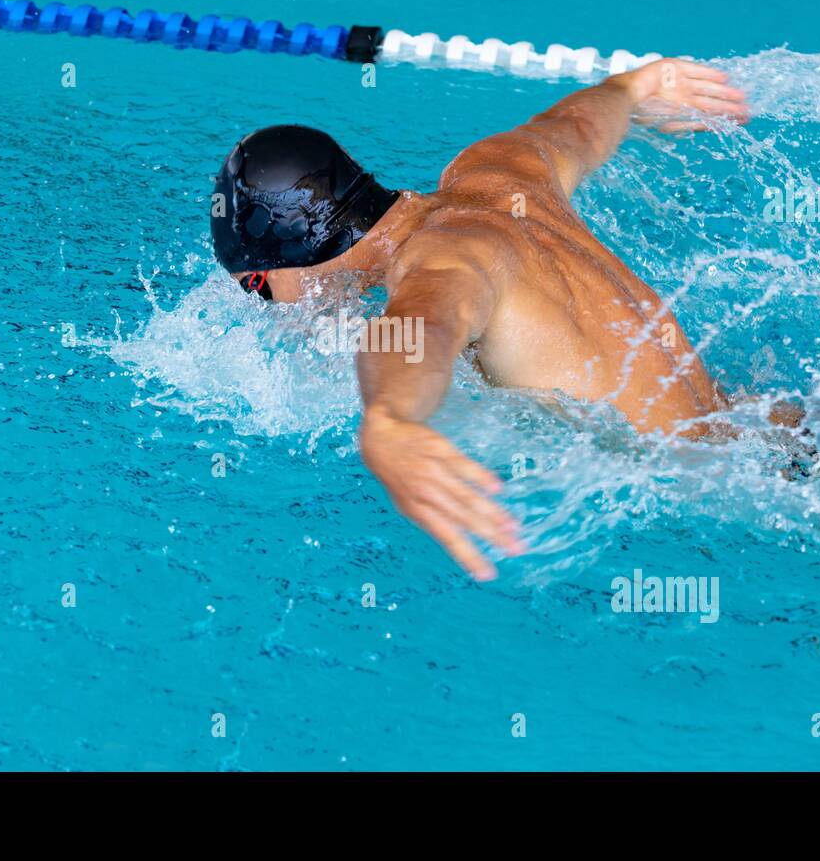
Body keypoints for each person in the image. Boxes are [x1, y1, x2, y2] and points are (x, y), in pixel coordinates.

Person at [210, 58, 750, 580]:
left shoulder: (437, 263)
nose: (278, 314)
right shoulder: (494, 170)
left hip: (727, 500)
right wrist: (632, 89)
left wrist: (388, 420)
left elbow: (420, 328)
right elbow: (575, 125)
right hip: (777, 431)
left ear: (297, 250)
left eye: (261, 290)